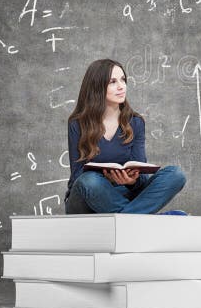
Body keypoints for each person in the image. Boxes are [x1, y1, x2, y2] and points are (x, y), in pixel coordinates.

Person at [65, 58, 187, 214]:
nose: (121, 86)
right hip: (88, 198)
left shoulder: (135, 122)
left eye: (123, 80)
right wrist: (108, 179)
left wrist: (131, 182)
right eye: (113, 82)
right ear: (97, 87)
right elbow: (77, 178)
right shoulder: (77, 123)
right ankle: (146, 220)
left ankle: (128, 218)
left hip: (124, 195)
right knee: (89, 181)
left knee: (175, 174)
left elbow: (142, 174)